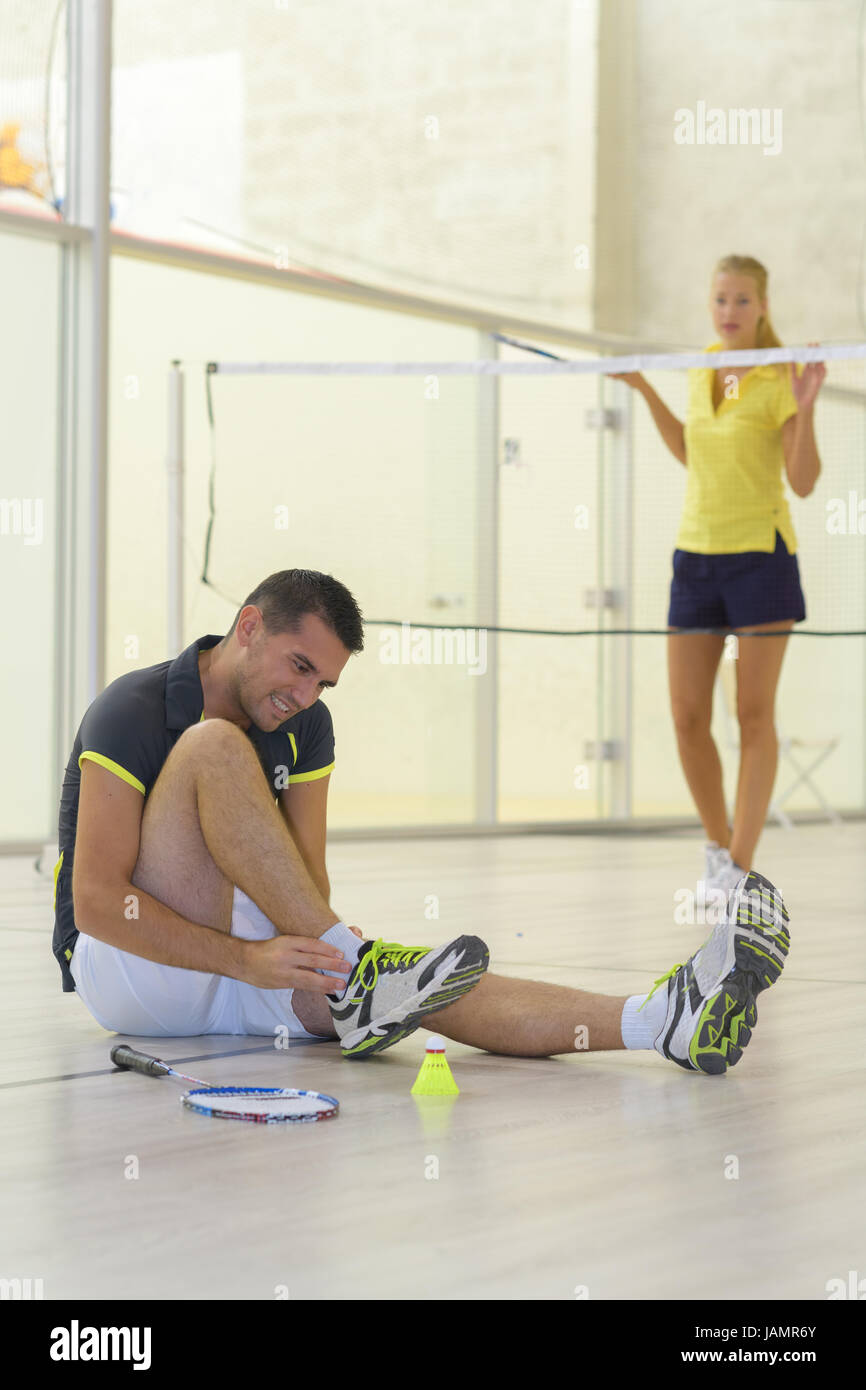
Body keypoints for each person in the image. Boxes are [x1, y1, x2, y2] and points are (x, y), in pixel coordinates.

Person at [53, 569, 790, 1074]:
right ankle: (360, 978)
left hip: (245, 956)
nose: (307, 695)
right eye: (298, 665)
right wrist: (257, 959)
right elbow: (96, 903)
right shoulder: (136, 708)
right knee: (213, 747)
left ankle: (664, 1020)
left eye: (325, 681)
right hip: (134, 973)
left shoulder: (308, 728)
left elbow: (308, 879)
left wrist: (326, 957)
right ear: (248, 627)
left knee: (423, 982)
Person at [609, 254, 824, 895]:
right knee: (685, 715)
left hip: (761, 556)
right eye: (721, 299)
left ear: (763, 307)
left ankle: (738, 865)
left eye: (742, 301)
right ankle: (715, 849)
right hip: (695, 561)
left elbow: (806, 483)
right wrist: (645, 388)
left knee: (752, 714)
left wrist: (807, 407)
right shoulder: (707, 366)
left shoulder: (777, 375)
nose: (729, 312)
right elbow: (690, 451)